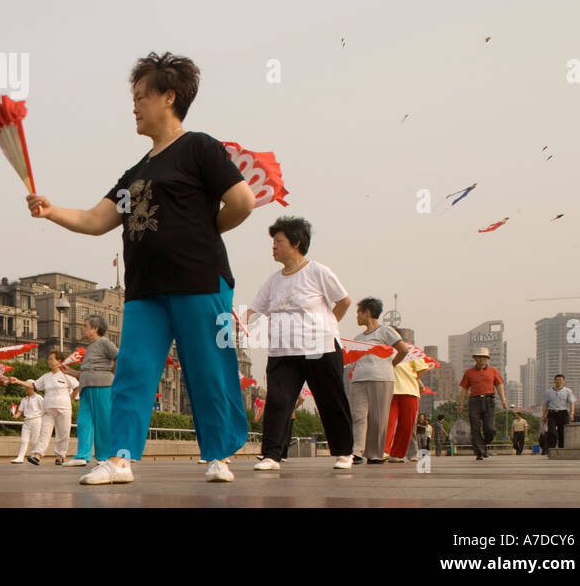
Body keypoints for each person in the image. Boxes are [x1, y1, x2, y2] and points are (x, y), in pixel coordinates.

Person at [28, 52, 256, 486]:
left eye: (140, 96)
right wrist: (52, 210)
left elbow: (242, 201)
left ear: (169, 96)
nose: (133, 106)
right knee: (132, 372)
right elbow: (98, 219)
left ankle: (219, 456)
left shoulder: (200, 148)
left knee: (208, 369)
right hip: (145, 290)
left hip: (199, 280)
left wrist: (204, 234)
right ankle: (119, 459)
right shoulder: (135, 172)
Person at [246, 216, 356, 471]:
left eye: (278, 241)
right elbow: (254, 311)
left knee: (330, 400)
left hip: (320, 349)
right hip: (283, 352)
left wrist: (328, 327)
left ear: (295, 243)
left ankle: (344, 452)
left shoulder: (317, 271)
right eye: (273, 242)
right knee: (278, 402)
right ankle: (272, 456)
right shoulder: (273, 280)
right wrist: (235, 325)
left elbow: (344, 301)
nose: (273, 247)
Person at [346, 297, 409, 464]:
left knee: (378, 417)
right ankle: (357, 451)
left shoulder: (386, 331)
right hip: (359, 379)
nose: (357, 316)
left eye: (358, 312)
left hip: (381, 378)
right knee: (358, 415)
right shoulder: (358, 336)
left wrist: (391, 364)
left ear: (367, 313)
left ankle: (375, 454)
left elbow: (403, 350)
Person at [60, 316, 119, 468]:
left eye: (85, 326)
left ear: (95, 328)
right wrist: (71, 372)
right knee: (83, 422)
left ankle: (104, 456)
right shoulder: (91, 346)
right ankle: (83, 455)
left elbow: (119, 356)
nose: (82, 329)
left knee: (103, 422)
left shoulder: (104, 342)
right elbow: (87, 372)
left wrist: (112, 374)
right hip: (86, 387)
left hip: (102, 386)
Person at [458, 347, 507, 460]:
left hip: (489, 400)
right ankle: (480, 452)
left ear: (487, 359)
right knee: (475, 428)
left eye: (484, 358)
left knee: (490, 428)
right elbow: (464, 389)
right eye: (479, 357)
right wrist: (461, 404)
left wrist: (503, 399)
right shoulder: (469, 372)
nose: (481, 360)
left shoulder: (493, 371)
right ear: (475, 359)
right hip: (474, 401)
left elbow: (499, 385)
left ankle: (483, 445)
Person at [384, 344, 430, 463]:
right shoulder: (383, 351)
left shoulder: (411, 351)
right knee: (388, 423)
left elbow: (423, 368)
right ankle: (384, 451)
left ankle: (397, 454)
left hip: (410, 392)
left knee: (406, 426)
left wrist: (411, 377)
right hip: (390, 392)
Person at [541, 374, 576, 455]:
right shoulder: (549, 391)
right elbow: (545, 404)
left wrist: (572, 413)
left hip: (563, 413)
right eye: (557, 379)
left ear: (563, 381)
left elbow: (571, 403)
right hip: (552, 413)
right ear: (554, 380)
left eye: (560, 380)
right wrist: (544, 415)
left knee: (562, 432)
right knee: (551, 432)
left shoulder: (567, 391)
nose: (558, 381)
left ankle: (562, 449)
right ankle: (551, 450)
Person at [9, 382, 44, 463]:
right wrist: (15, 416)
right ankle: (20, 457)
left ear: (32, 388)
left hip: (36, 420)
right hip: (26, 421)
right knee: (24, 440)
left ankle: (34, 457)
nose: (25, 389)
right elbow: (20, 411)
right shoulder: (24, 399)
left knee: (35, 440)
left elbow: (44, 410)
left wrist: (41, 420)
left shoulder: (39, 398)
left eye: (26, 387)